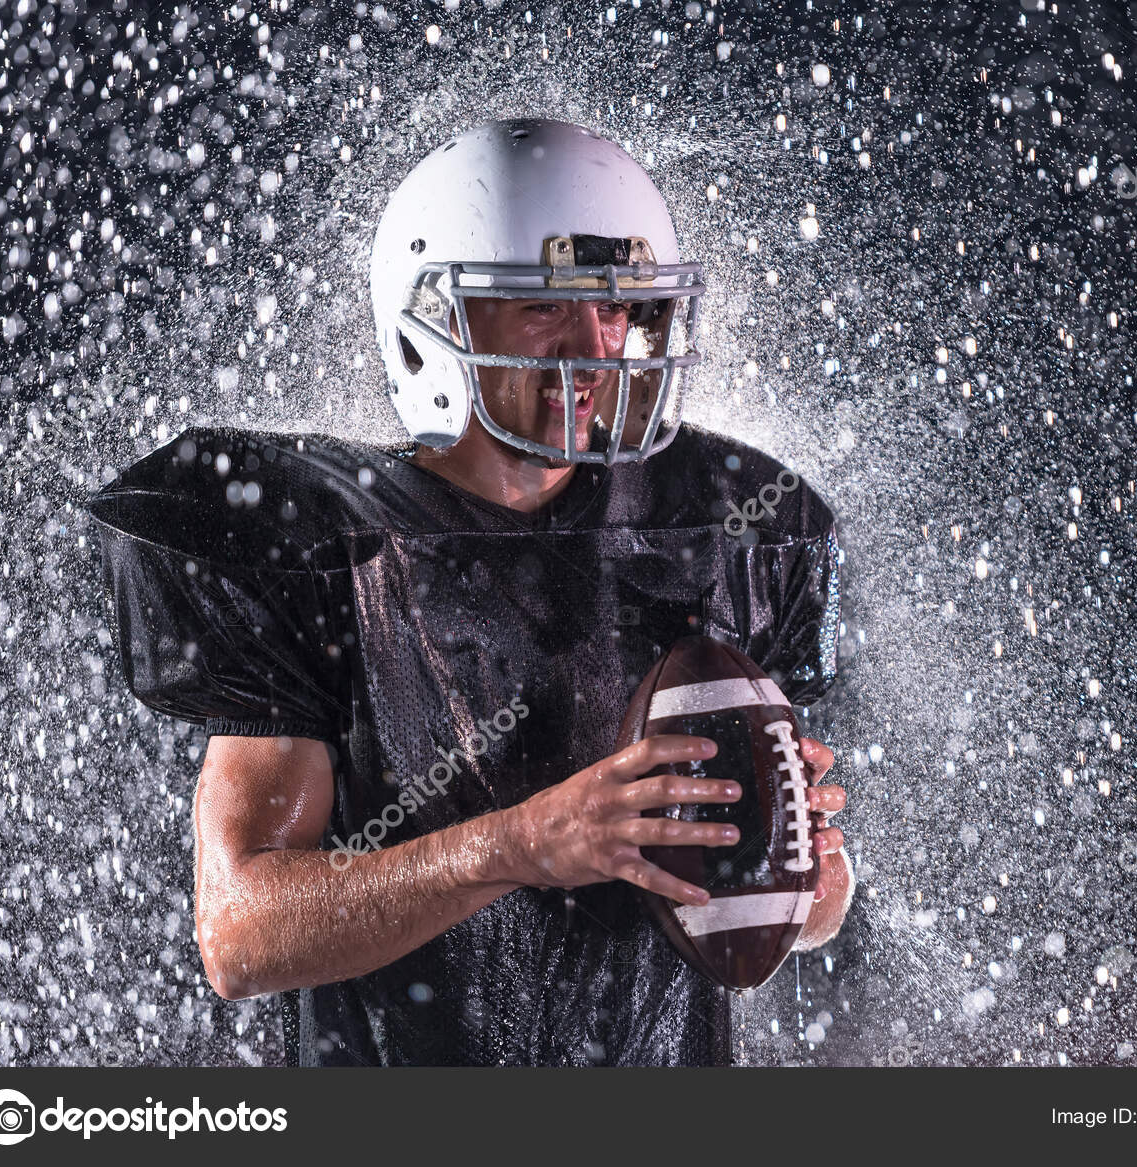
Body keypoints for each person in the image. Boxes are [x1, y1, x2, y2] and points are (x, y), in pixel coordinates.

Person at [85, 119, 852, 1066]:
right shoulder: (332, 547)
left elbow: (810, 912)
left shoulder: (721, 528)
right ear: (436, 323)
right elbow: (242, 933)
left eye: (619, 310)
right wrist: (520, 844)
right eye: (543, 308)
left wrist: (799, 874)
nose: (596, 348)